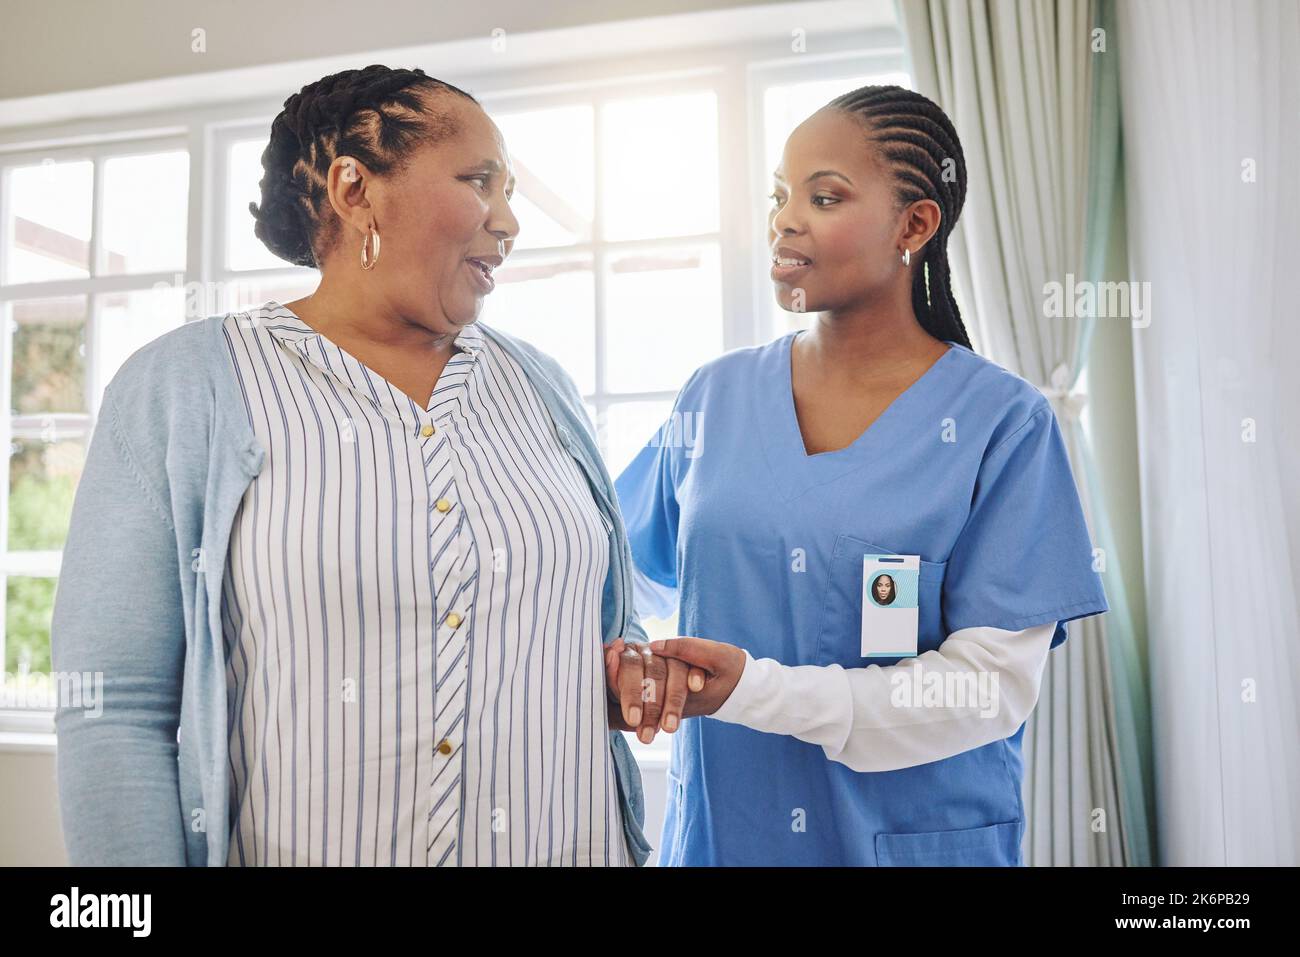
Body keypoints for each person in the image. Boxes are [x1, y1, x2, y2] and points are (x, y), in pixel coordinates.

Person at [50, 64, 690, 867]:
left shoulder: (541, 387)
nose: (509, 222)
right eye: (480, 181)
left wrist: (626, 663)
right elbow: (115, 708)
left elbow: (599, 619)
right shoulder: (185, 388)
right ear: (354, 189)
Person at [610, 85, 1109, 866]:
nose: (785, 218)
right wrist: (628, 659)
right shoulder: (717, 395)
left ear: (914, 224)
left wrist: (754, 689)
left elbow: (986, 688)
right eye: (780, 195)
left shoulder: (1002, 424)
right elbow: (613, 575)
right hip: (726, 838)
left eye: (825, 195)